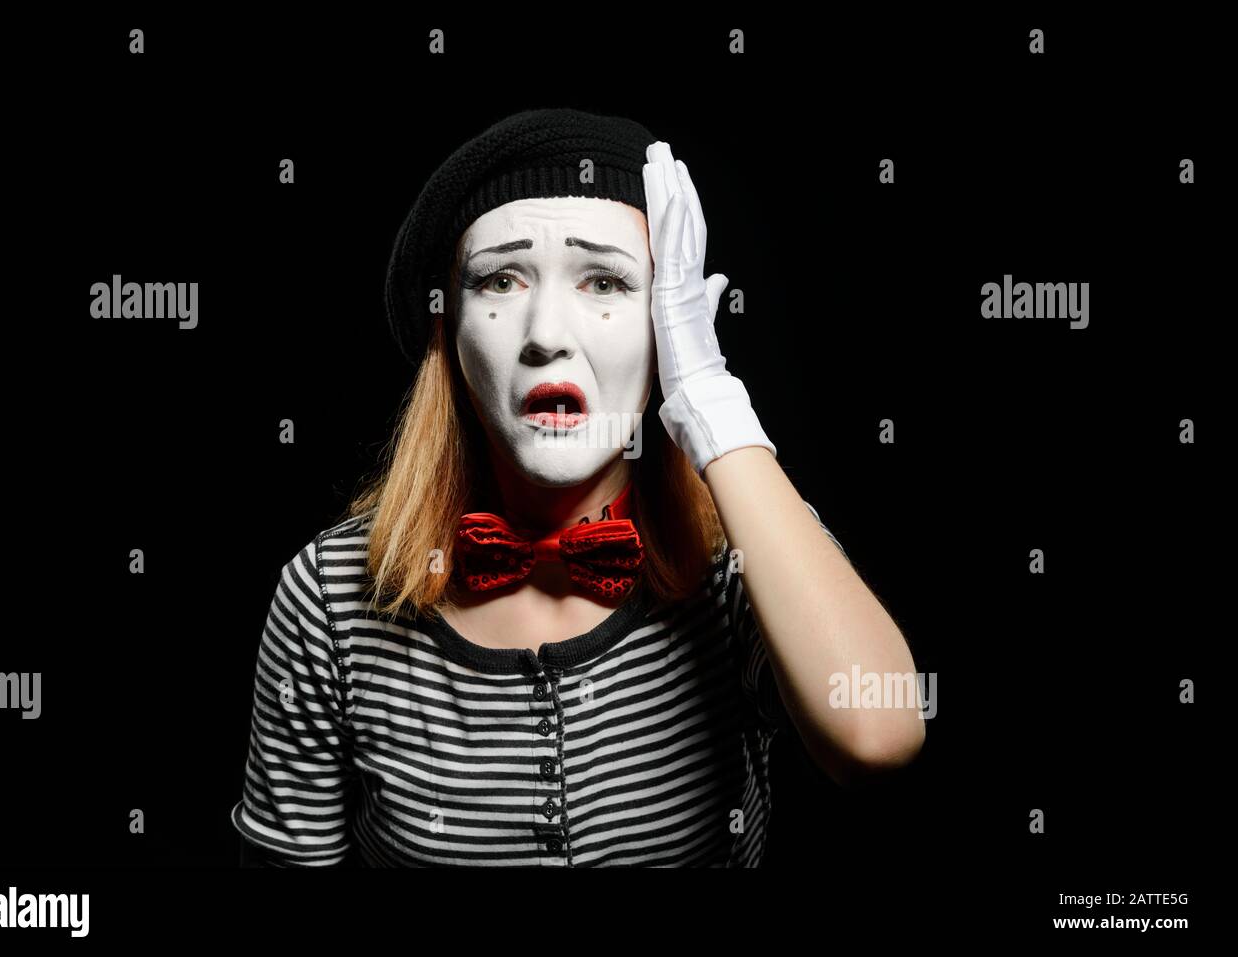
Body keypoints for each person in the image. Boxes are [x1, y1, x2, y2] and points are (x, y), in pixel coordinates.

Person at [230, 108, 924, 867]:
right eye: (500, 278)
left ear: (665, 323)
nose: (547, 332)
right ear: (449, 332)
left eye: (606, 280)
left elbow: (878, 732)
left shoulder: (744, 556)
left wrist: (706, 393)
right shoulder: (328, 596)